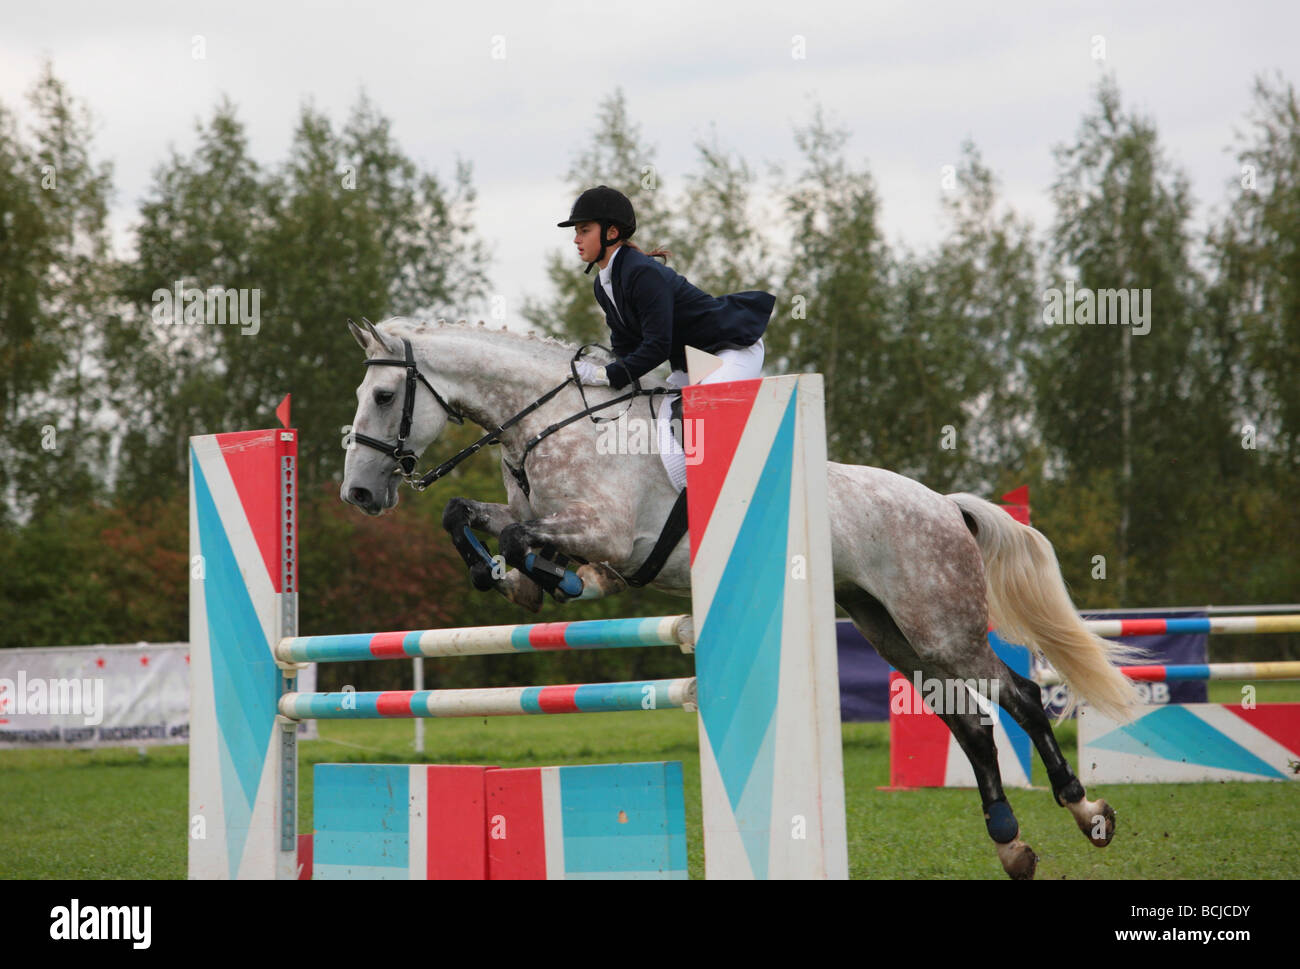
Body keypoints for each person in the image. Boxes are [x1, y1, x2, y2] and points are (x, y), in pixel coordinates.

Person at [557, 185, 776, 489]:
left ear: (610, 233)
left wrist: (606, 374)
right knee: (665, 430)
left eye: (584, 230)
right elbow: (624, 345)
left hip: (731, 350)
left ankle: (755, 489)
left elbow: (657, 345)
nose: (576, 239)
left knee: (702, 418)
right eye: (577, 232)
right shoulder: (604, 283)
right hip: (691, 364)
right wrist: (608, 371)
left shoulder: (640, 273)